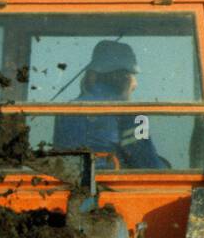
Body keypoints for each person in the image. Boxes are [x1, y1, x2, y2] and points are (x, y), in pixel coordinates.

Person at [52, 40, 170, 169]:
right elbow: (147, 164)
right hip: (111, 183)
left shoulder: (66, 110)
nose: (136, 84)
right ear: (123, 76)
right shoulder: (131, 114)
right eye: (132, 75)